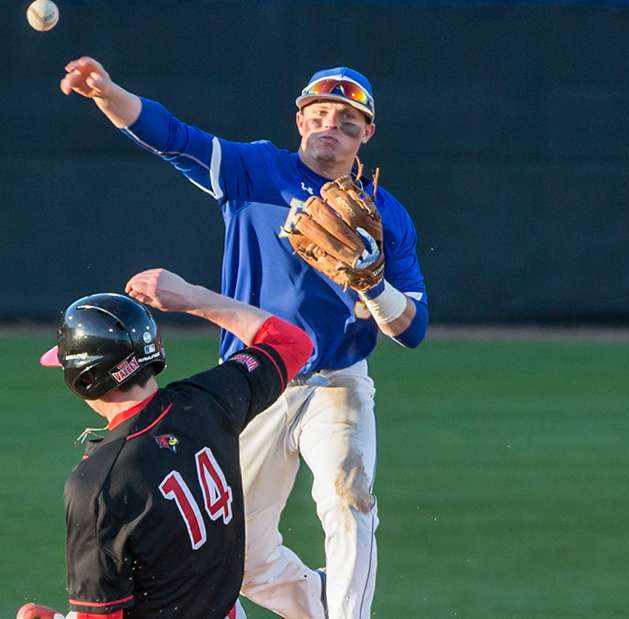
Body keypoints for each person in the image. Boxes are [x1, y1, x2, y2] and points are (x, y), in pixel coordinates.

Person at [59, 59, 428, 619]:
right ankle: (325, 604)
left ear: (367, 133)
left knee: (347, 499)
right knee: (246, 556)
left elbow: (412, 329)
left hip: (336, 381)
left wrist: (375, 285)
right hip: (255, 381)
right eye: (321, 113)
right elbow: (172, 137)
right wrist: (108, 93)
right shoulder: (254, 169)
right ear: (300, 119)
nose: (332, 125)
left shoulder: (387, 216)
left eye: (349, 119)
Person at [23, 268, 313, 619]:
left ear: (85, 379)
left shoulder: (98, 485)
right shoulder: (210, 400)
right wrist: (193, 297)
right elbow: (293, 342)